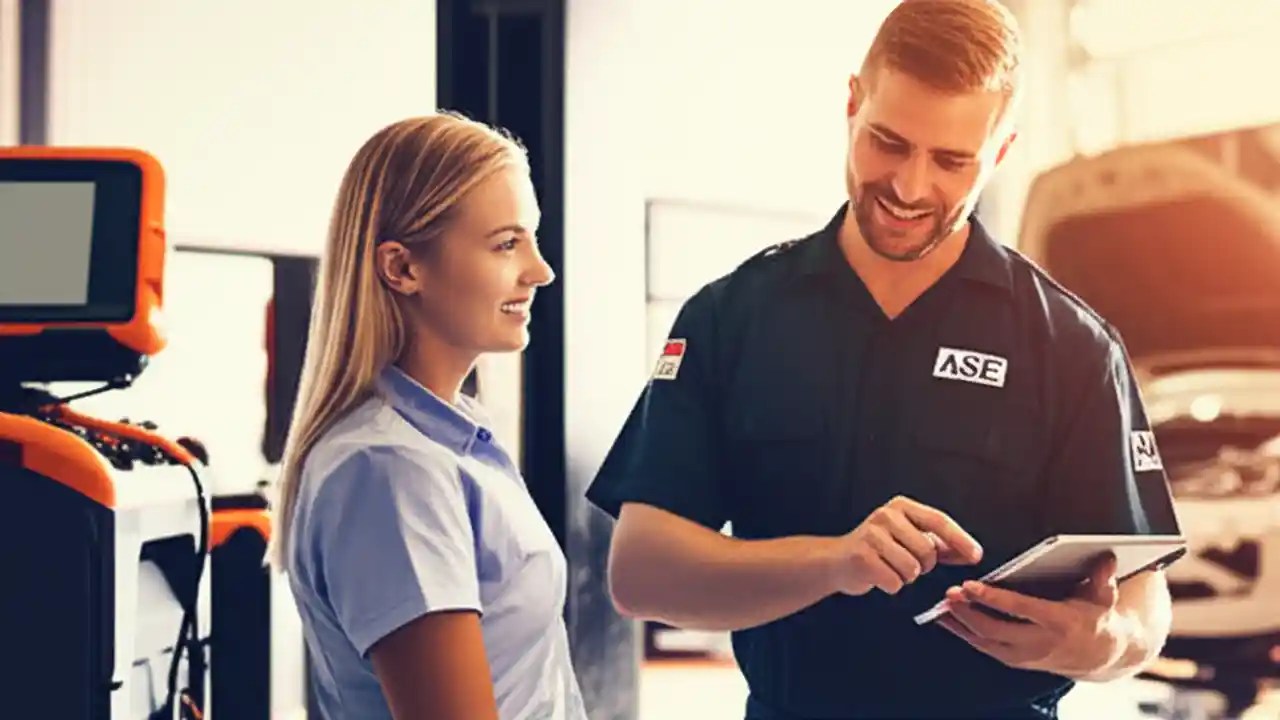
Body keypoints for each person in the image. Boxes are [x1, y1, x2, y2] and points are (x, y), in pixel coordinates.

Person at [585, 1, 1183, 718]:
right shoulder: (732, 317)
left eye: (952, 161)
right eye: (887, 142)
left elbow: (1145, 609)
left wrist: (1095, 639)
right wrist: (836, 562)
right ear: (851, 103)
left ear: (1000, 151)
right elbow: (640, 574)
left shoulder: (1070, 345)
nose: (908, 186)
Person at [270, 113, 588, 720]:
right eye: (506, 244)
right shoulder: (391, 469)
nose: (540, 271)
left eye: (533, 240)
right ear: (403, 269)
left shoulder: (451, 437)